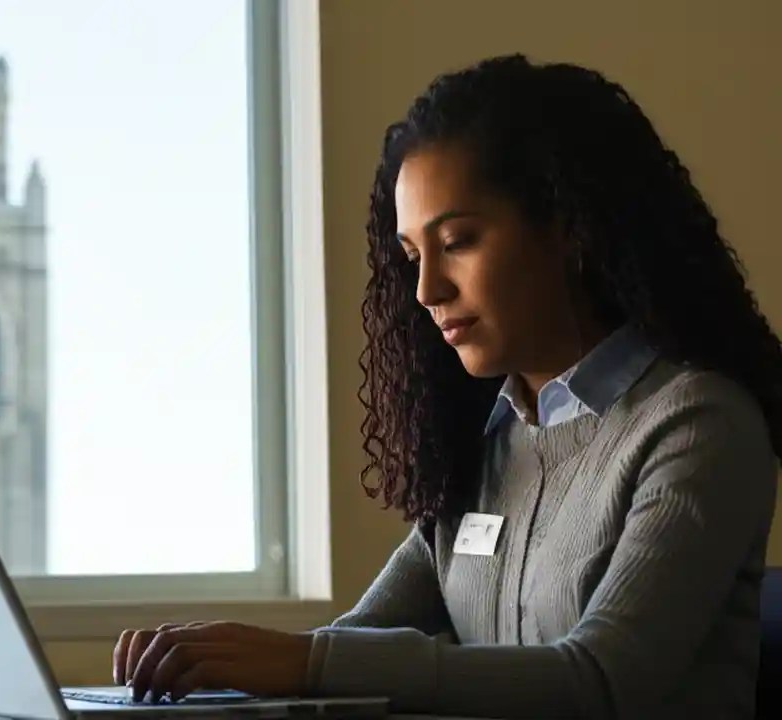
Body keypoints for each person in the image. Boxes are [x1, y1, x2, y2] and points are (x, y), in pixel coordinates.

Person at [111, 54, 782, 719]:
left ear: (571, 227)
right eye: (412, 258)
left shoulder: (700, 424)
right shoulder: (495, 439)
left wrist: (304, 662)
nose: (428, 290)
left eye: (457, 240)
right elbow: (354, 643)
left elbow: (600, 680)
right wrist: (216, 672)